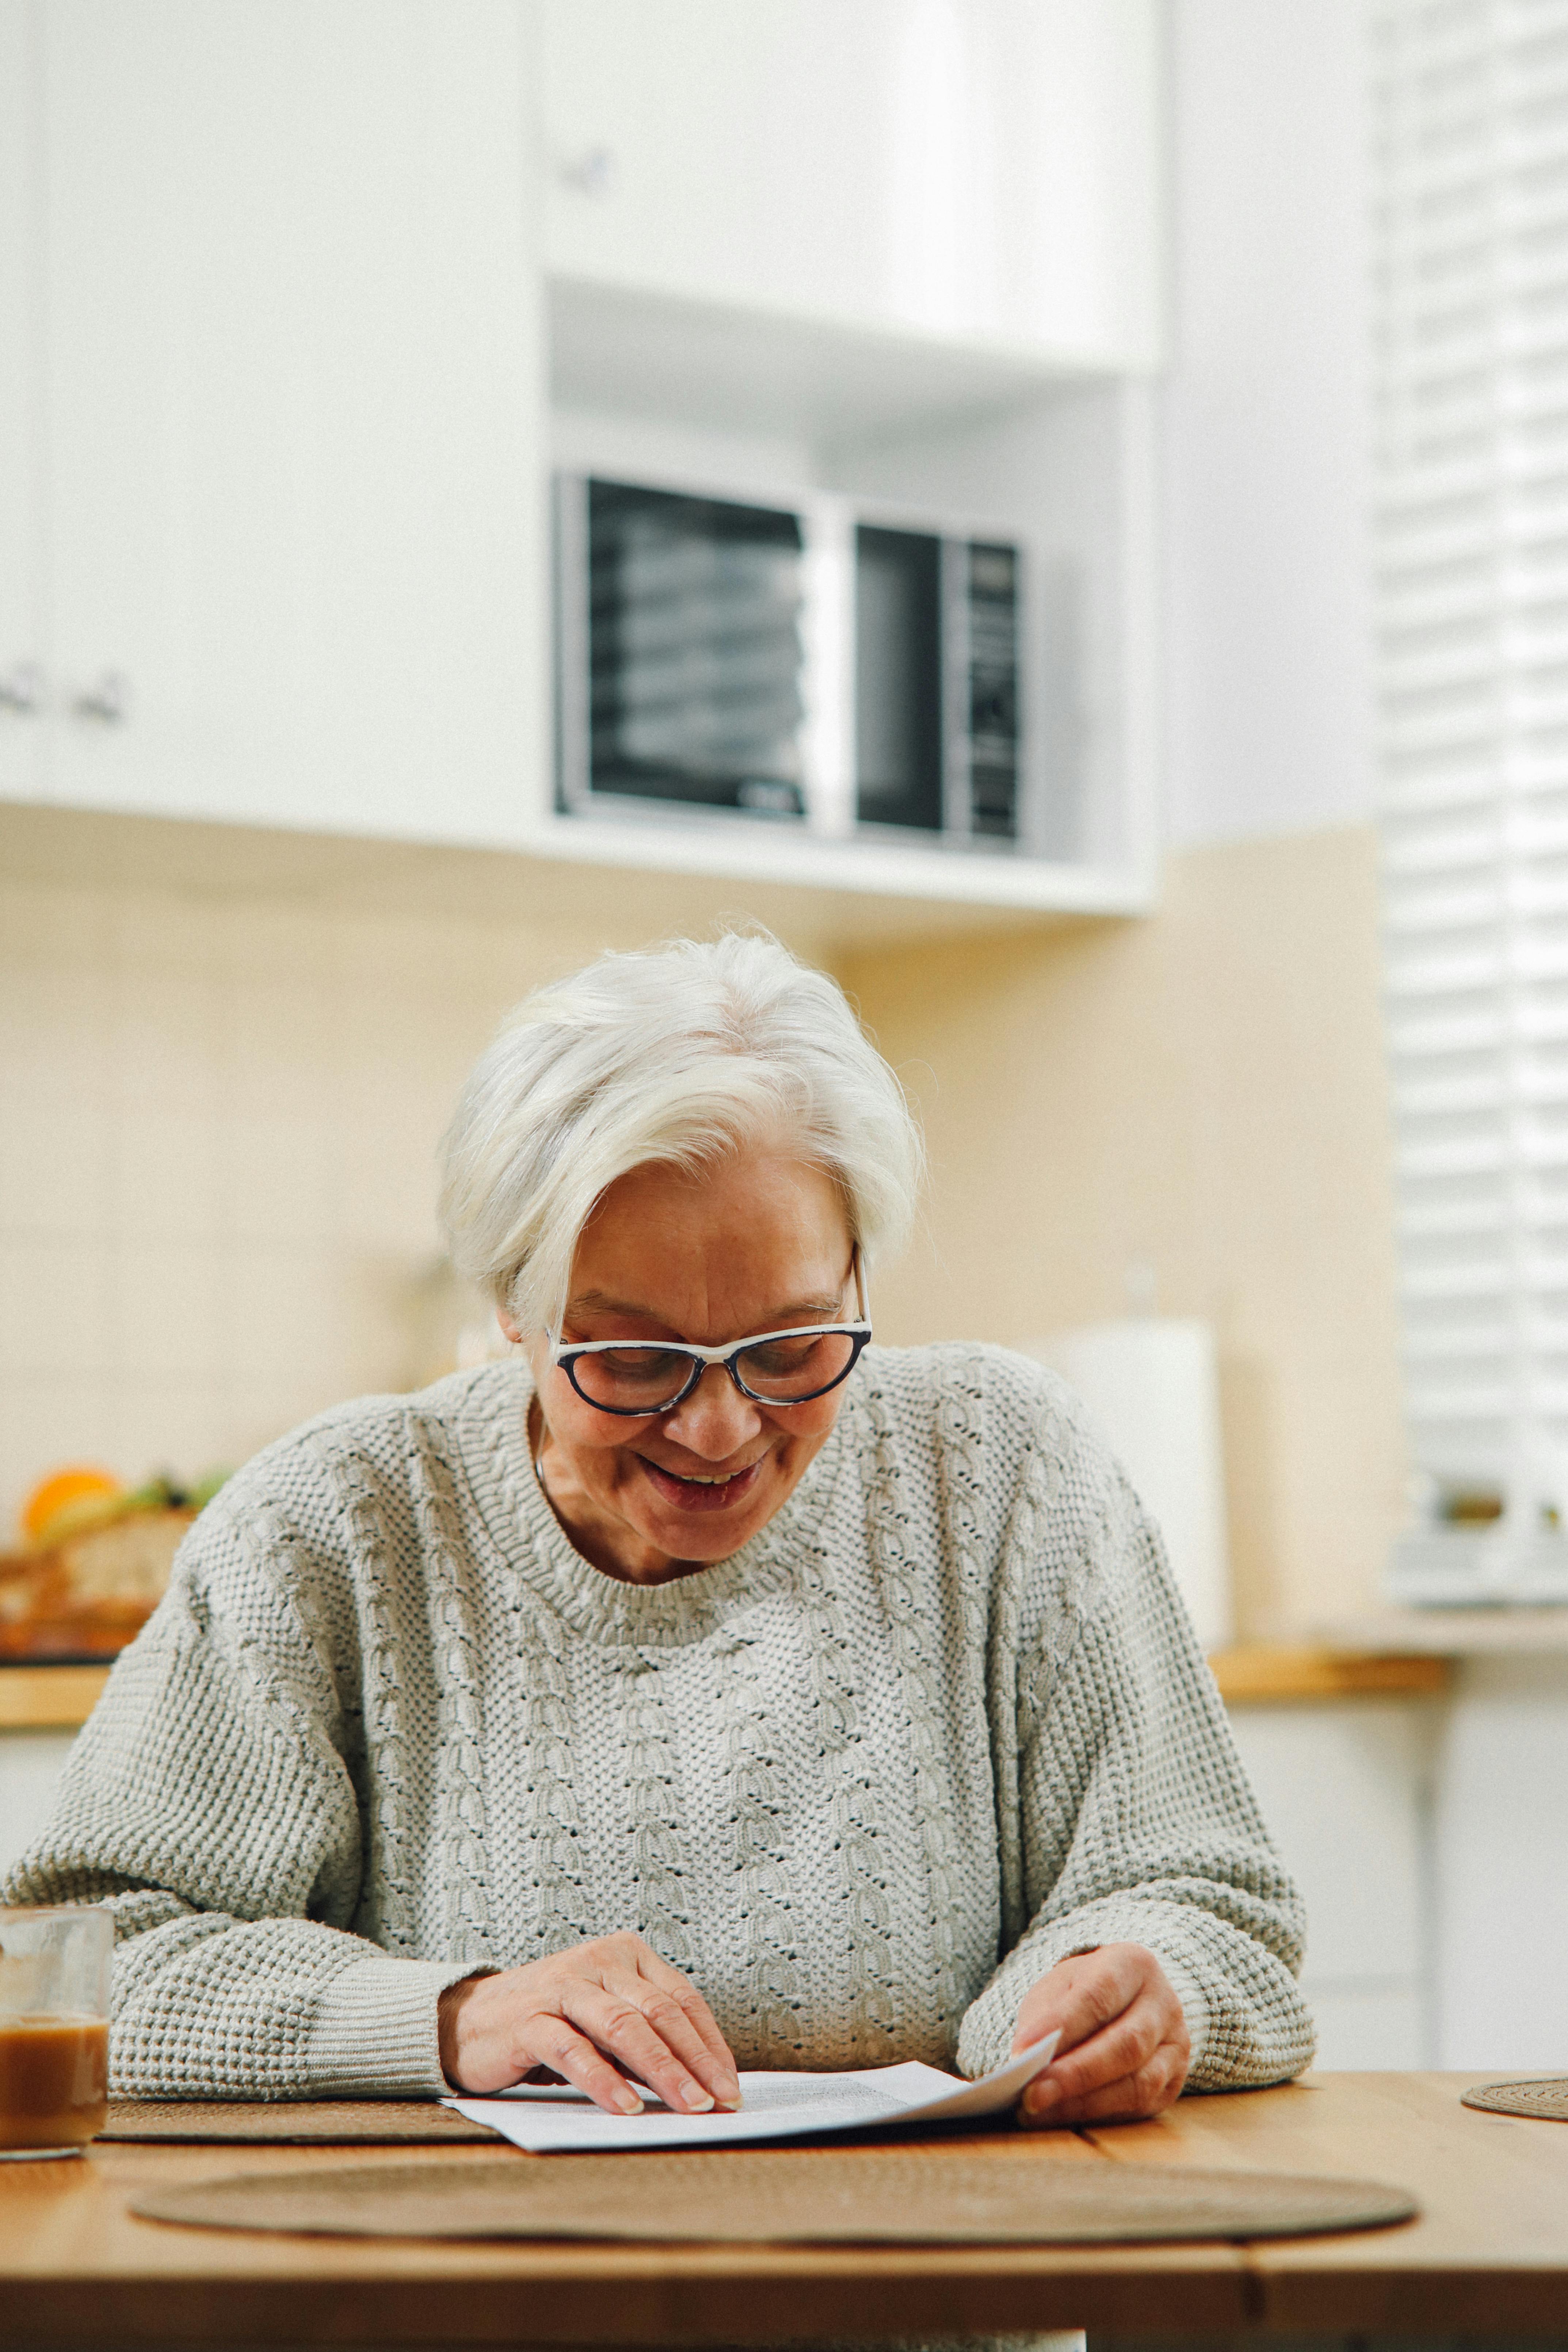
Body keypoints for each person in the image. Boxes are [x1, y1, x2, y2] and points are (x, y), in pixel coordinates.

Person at [6, 932, 1313, 2121]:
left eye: (794, 1346)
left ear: (861, 1272)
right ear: (513, 1308)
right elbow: (80, 1959)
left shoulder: (1001, 1468)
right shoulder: (333, 1532)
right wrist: (449, 2015)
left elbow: (1216, 1906)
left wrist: (1138, 1989)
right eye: (633, 1362)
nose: (719, 1431)